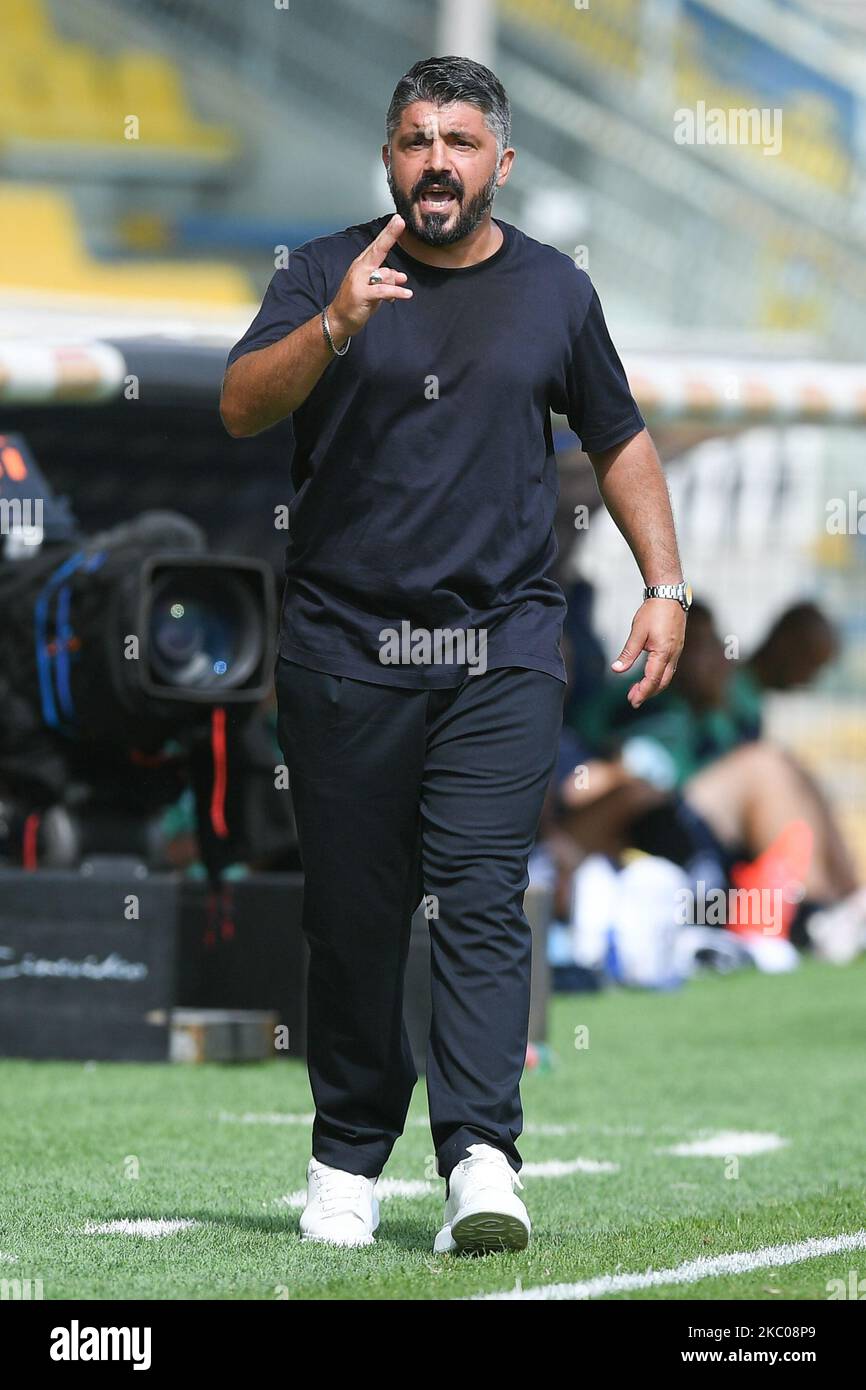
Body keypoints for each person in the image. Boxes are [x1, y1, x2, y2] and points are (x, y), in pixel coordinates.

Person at [220, 56, 689, 1255]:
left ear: (500, 164)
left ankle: (481, 1155)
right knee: (356, 914)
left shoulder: (551, 291)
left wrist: (664, 585)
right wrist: (332, 328)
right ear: (387, 157)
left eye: (461, 141)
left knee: (481, 897)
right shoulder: (323, 270)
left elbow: (618, 435)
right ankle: (345, 1160)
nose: (438, 160)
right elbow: (237, 407)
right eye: (418, 139)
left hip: (501, 650)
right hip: (341, 652)